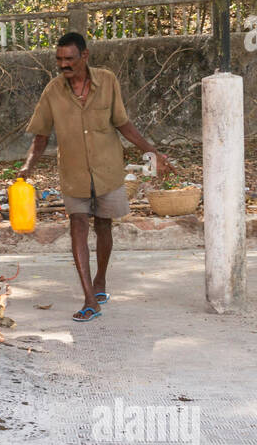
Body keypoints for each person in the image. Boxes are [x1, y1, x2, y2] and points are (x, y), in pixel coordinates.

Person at [19, 32, 174, 323]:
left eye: (69, 59)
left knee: (104, 227)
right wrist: (29, 166)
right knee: (78, 224)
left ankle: (100, 280)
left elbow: (124, 125)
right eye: (59, 60)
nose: (63, 65)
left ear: (84, 56)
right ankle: (90, 298)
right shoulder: (52, 92)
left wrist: (153, 153)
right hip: (74, 174)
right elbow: (40, 138)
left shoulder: (108, 81)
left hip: (107, 170)